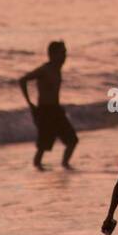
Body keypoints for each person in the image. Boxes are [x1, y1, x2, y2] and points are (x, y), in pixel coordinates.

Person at [18, 40, 78, 170]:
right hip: (45, 111)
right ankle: (37, 168)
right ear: (53, 54)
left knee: (72, 140)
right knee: (43, 146)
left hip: (56, 110)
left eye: (65, 53)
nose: (65, 56)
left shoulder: (58, 69)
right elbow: (22, 80)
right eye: (62, 53)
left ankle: (65, 165)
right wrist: (29, 102)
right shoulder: (44, 69)